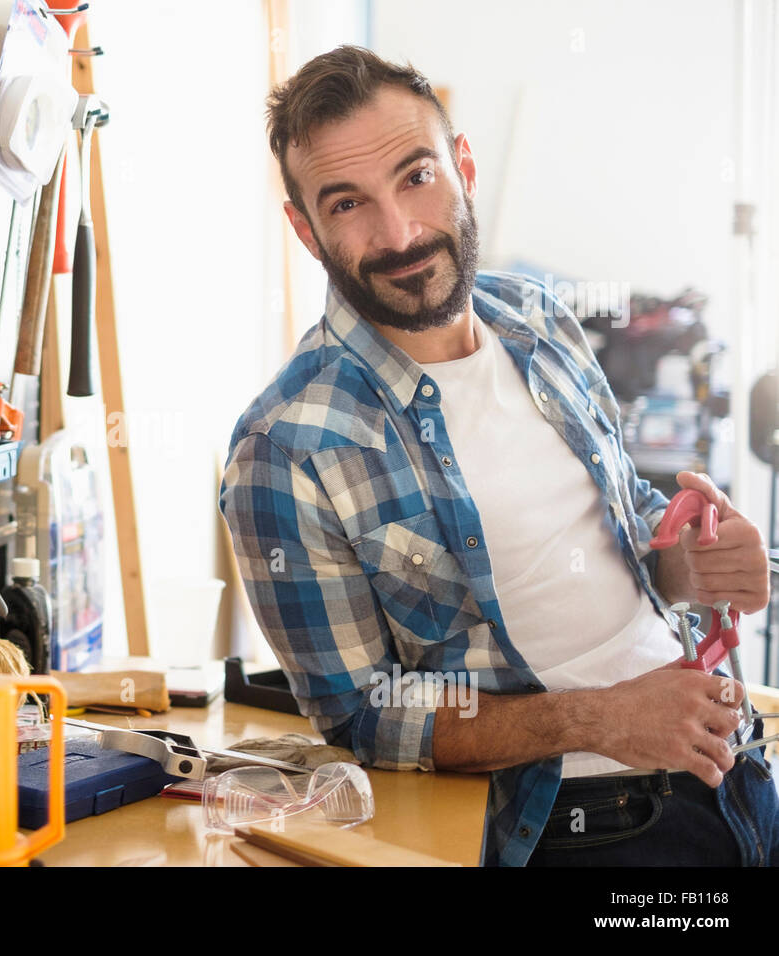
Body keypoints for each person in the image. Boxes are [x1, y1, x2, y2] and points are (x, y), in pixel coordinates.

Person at [218, 45, 777, 866]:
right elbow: (362, 715)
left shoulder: (537, 318)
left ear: (463, 166)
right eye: (347, 205)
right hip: (589, 828)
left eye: (416, 177)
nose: (400, 233)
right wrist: (598, 718)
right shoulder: (285, 449)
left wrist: (693, 564)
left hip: (735, 773)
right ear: (305, 228)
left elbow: (618, 528)